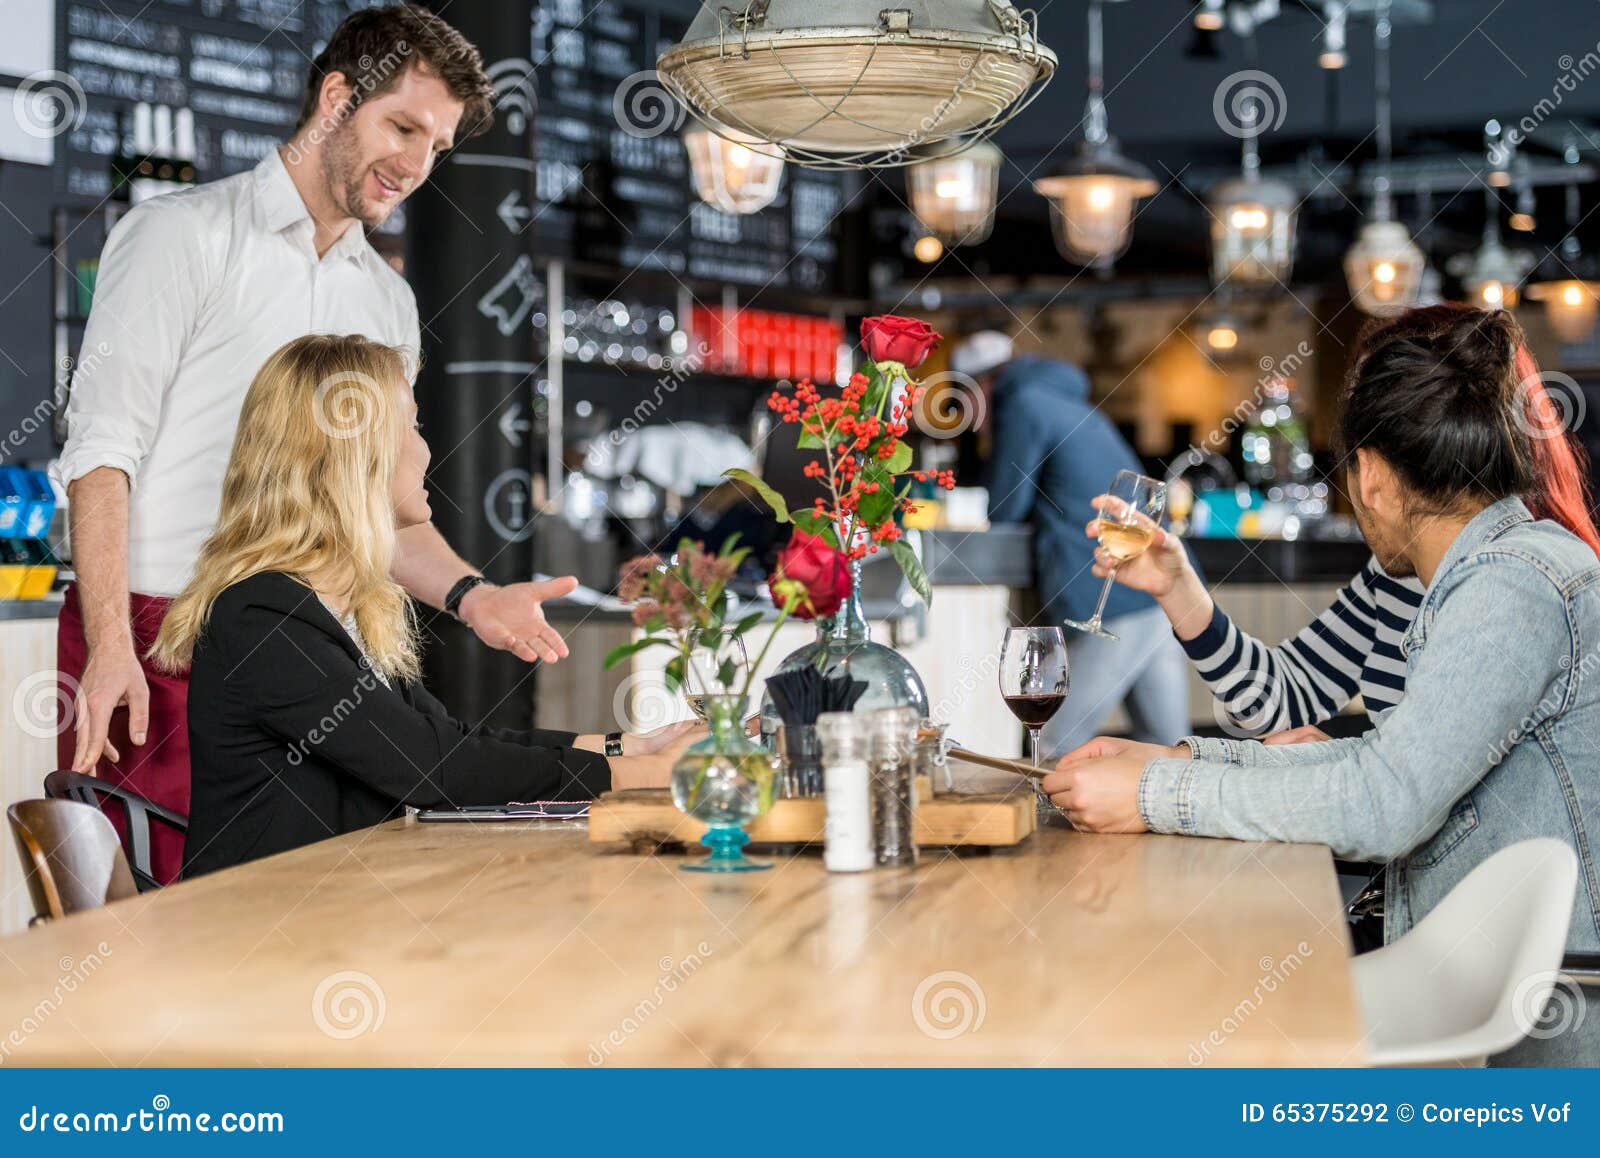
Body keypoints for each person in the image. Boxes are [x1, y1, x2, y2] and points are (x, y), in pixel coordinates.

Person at [52, 6, 579, 881]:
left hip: (304, 653)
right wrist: (110, 645)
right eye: (401, 126)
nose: (416, 165)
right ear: (338, 98)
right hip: (152, 634)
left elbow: (384, 510)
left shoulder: (386, 303)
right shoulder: (182, 235)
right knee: (150, 931)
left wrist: (474, 597)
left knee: (304, 912)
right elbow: (102, 448)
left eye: (437, 147)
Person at [1046, 307, 1600, 1065]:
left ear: (1370, 474)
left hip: (1539, 1014)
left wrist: (1154, 790)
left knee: (1173, 1009)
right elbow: (1324, 726)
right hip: (1447, 949)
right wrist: (1173, 757)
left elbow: (1385, 797)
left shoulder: (1513, 585)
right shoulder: (1461, 567)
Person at [151, 335, 694, 878]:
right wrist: (640, 776)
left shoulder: (346, 612)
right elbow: (429, 768)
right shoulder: (262, 619)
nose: (425, 448)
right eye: (410, 425)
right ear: (353, 451)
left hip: (330, 917)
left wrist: (631, 746)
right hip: (252, 935)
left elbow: (452, 741)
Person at [1083, 303, 1600, 742]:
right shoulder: (1397, 569)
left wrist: (1313, 762)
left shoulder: (1510, 580)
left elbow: (1410, 786)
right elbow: (1280, 696)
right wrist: (1179, 588)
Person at [950, 331, 1189, 758]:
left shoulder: (1021, 405)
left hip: (1109, 599)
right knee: (1171, 749)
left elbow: (1005, 506)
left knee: (1055, 747)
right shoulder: (1063, 398)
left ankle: (1040, 825)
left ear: (979, 386)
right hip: (1154, 596)